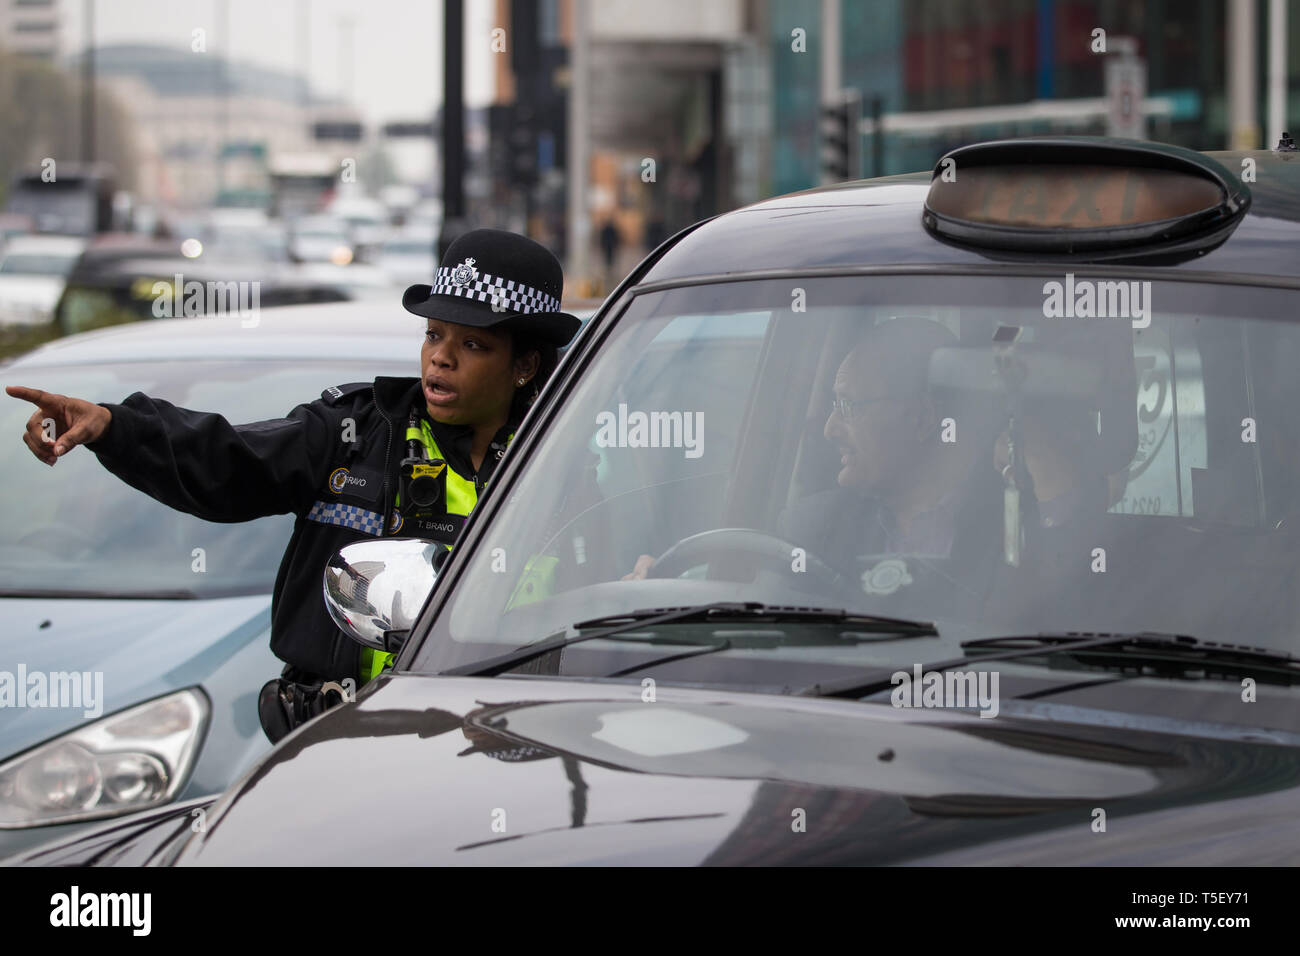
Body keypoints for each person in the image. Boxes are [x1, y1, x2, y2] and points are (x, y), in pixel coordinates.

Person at [7, 228, 581, 742]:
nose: (440, 360)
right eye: (434, 335)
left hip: (508, 750)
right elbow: (227, 459)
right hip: (342, 752)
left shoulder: (574, 465)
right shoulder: (352, 433)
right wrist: (111, 426)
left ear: (525, 365)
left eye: (472, 344)